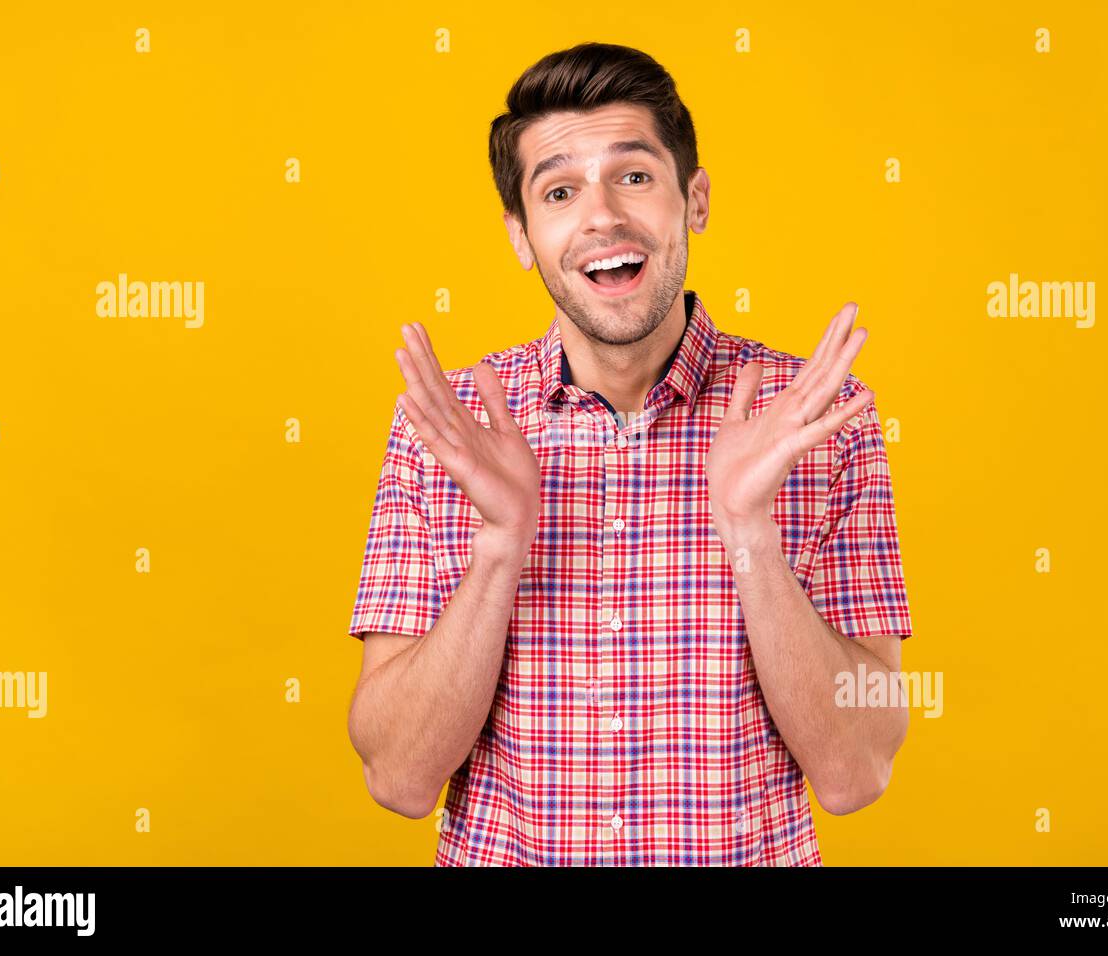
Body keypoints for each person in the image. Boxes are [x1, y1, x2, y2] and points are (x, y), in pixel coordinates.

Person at [346, 42, 913, 866]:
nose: (602, 216)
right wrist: (499, 548)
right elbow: (398, 778)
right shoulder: (449, 427)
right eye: (561, 191)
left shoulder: (815, 418)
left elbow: (857, 770)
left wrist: (751, 532)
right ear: (522, 235)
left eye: (635, 176)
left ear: (697, 197)